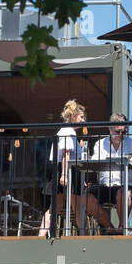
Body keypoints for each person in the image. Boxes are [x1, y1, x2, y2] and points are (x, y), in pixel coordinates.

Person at [87, 112, 132, 234]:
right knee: (86, 198)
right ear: (109, 128)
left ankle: (122, 228)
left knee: (123, 193)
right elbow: (94, 163)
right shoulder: (100, 144)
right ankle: (110, 227)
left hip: (127, 185)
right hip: (105, 185)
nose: (121, 135)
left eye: (124, 132)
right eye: (117, 132)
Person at [39, 99, 88, 236]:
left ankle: (40, 237)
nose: (83, 120)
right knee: (77, 208)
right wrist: (65, 175)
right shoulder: (69, 132)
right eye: (81, 117)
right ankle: (86, 239)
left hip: (63, 169)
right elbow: (66, 154)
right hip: (66, 170)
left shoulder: (63, 131)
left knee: (55, 208)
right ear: (73, 116)